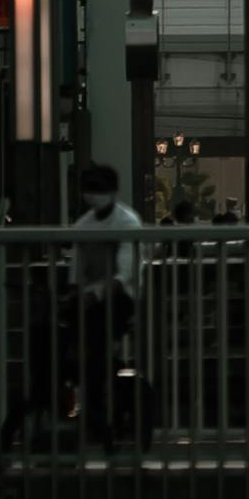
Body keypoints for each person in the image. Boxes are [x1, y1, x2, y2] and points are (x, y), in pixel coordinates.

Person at [65, 158, 144, 446]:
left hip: (118, 300)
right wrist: (78, 294)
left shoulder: (127, 222)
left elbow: (124, 275)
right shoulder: (82, 225)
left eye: (97, 189)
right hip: (89, 301)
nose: (92, 194)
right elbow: (76, 270)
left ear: (112, 191)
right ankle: (92, 401)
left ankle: (96, 409)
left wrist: (93, 294)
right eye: (89, 189)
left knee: (93, 349)